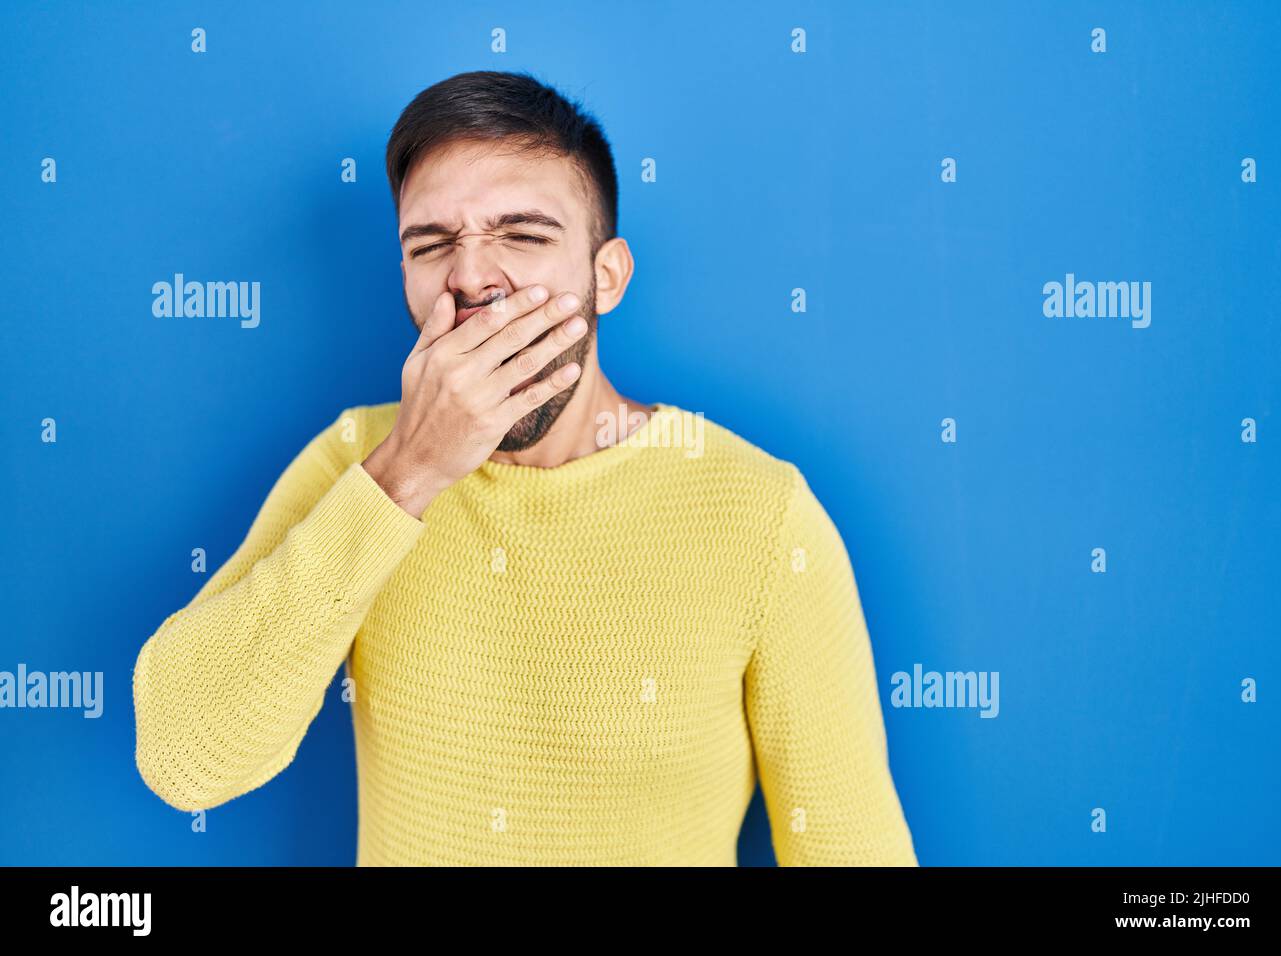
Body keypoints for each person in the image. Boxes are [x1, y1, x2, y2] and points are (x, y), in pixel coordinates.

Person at [131, 70, 919, 866]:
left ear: (605, 276)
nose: (472, 277)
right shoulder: (357, 461)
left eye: (524, 234)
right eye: (432, 245)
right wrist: (407, 474)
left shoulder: (761, 513)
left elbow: (854, 849)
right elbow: (183, 759)